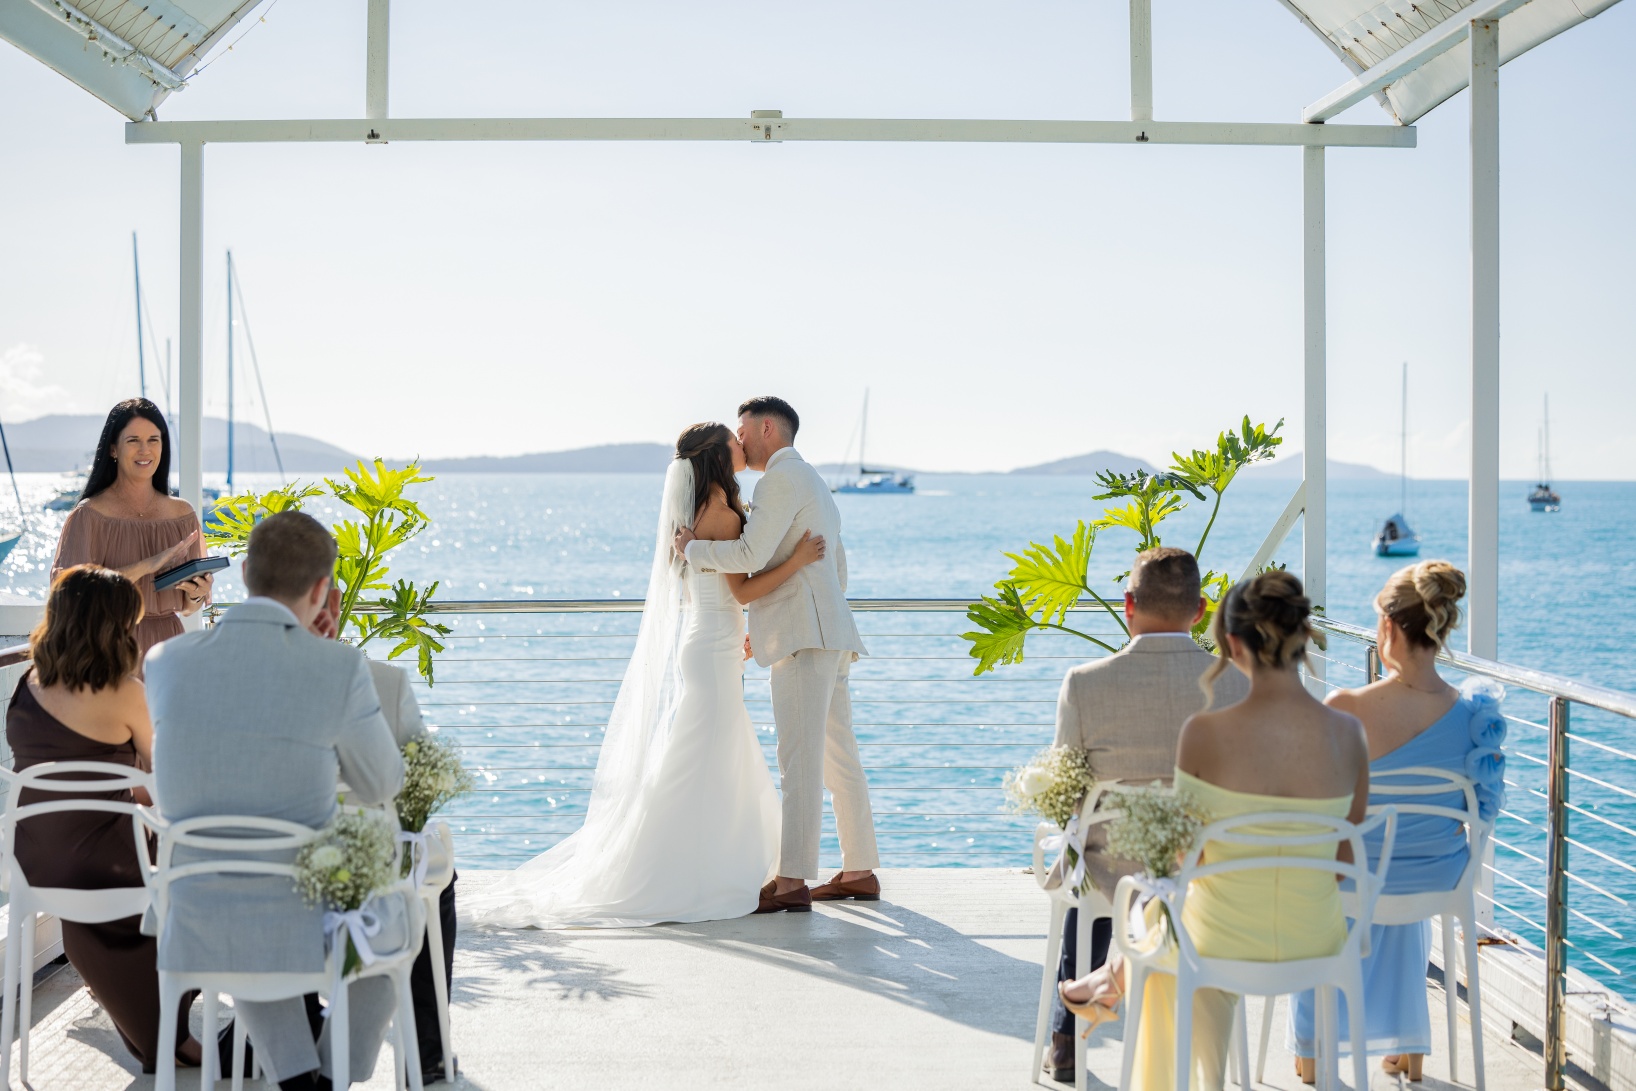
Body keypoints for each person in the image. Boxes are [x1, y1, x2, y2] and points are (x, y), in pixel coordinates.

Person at [465, 421, 828, 927]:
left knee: (707, 754)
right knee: (704, 756)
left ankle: (701, 861)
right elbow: (742, 592)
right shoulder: (720, 514)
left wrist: (730, 635)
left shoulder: (697, 513)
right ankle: (687, 871)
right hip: (711, 646)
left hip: (708, 643)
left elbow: (712, 593)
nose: (741, 445)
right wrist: (800, 561)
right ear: (718, 457)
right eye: (733, 441)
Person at [1058, 571, 1370, 1091]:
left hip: (1220, 940)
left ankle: (1122, 999)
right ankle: (1112, 984)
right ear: (1300, 638)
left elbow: (1188, 857)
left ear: (1230, 642)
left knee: (1156, 917)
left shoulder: (1204, 732)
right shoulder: (1348, 732)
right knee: (1162, 919)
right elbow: (1343, 851)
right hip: (1318, 935)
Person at [145, 511, 409, 1091]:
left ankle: (298, 1077)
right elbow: (381, 786)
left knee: (246, 916)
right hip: (294, 909)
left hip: (193, 908)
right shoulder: (336, 666)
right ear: (323, 592)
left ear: (244, 572)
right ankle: (333, 1074)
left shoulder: (165, 662)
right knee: (395, 927)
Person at [1290, 561, 1505, 1083]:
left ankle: (1313, 1052)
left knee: (1329, 871)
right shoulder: (1472, 716)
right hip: (1436, 880)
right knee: (1397, 883)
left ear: (1387, 627)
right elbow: (1477, 807)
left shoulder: (1347, 706)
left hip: (1357, 878)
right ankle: (1408, 1052)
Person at [1041, 547, 1248, 1083]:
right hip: (1203, 872)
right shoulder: (1234, 683)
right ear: (1201, 609)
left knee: (1081, 868)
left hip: (1113, 870)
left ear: (1128, 604)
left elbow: (1066, 790)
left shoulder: (1085, 682)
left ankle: (1066, 1038)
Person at [673, 397, 879, 914]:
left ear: (767, 427)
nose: (739, 442)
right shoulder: (813, 482)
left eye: (743, 431)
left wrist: (692, 550)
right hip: (827, 633)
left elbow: (747, 556)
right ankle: (859, 871)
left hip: (804, 638)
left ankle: (791, 881)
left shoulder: (780, 481)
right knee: (839, 756)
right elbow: (838, 567)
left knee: (800, 760)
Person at [6, 565, 215, 1073]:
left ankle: (137, 1006)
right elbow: (157, 782)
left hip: (33, 858)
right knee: (191, 864)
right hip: (106, 865)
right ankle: (170, 1033)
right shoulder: (125, 691)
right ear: (112, 627)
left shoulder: (28, 681)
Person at [307, 585, 460, 1085]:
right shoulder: (381, 682)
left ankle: (297, 1023)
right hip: (359, 884)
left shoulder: (217, 679)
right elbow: (420, 778)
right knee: (431, 869)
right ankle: (428, 1051)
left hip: (252, 880)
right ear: (329, 611)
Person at [51, 399, 213, 666]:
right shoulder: (88, 515)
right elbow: (68, 595)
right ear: (113, 449)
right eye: (133, 440)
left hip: (169, 651)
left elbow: (187, 607)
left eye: (153, 440)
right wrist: (147, 565)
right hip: (108, 649)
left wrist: (197, 592)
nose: (145, 450)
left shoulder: (183, 515)